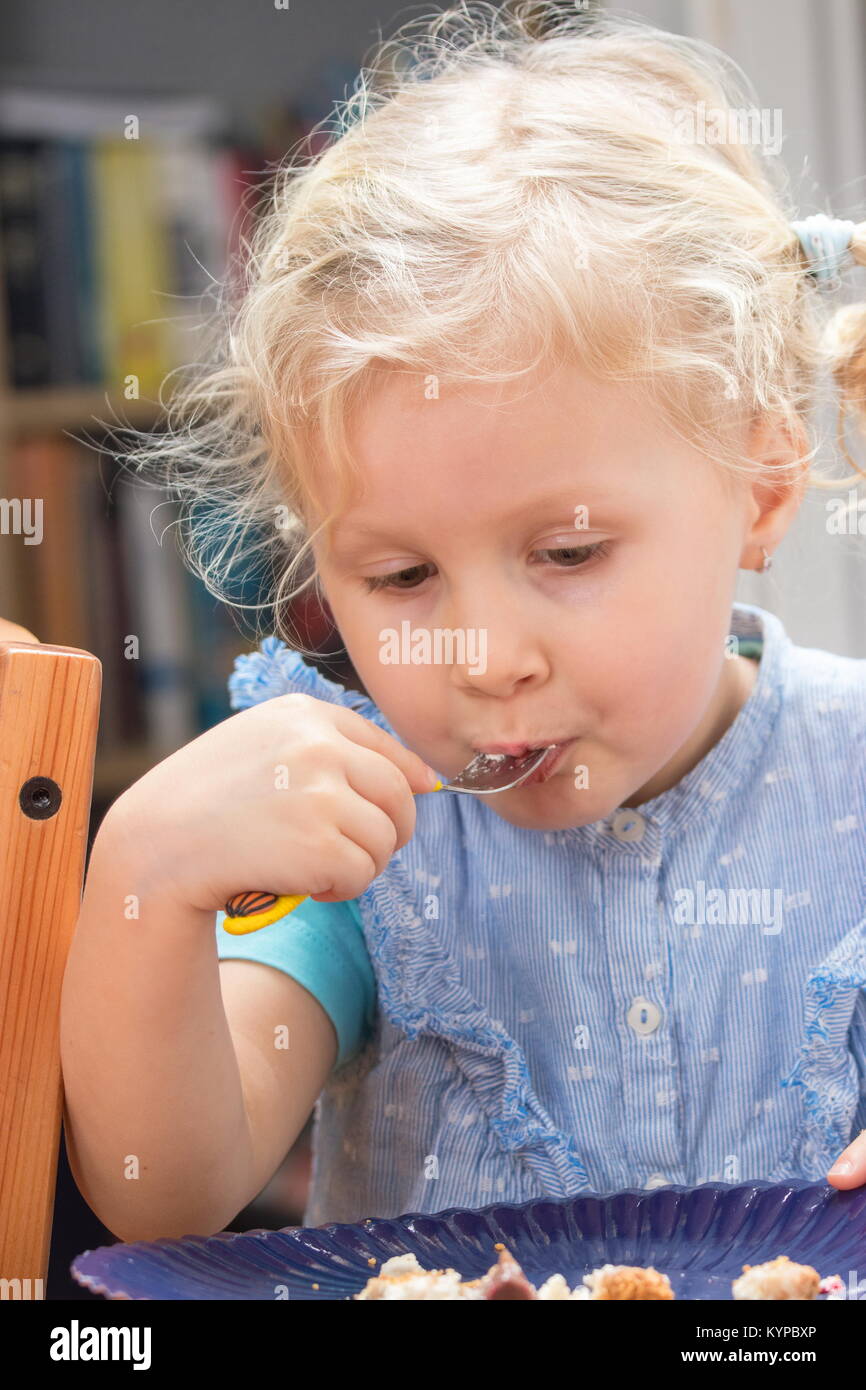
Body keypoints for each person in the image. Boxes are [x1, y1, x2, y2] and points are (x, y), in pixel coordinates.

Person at [61, 3, 866, 1241]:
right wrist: (144, 880)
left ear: (761, 485)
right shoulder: (350, 838)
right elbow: (165, 1193)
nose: (482, 660)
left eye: (567, 552)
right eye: (398, 578)